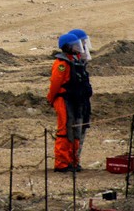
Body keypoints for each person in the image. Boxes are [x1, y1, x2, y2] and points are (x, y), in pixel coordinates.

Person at [47, 32, 91, 172]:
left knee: (75, 131)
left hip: (75, 101)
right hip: (64, 100)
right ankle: (62, 163)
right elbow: (55, 83)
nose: (79, 48)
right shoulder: (61, 64)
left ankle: (73, 160)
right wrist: (51, 98)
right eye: (75, 46)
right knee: (64, 131)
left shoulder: (76, 61)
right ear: (67, 47)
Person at [68, 28, 93, 163]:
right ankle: (72, 160)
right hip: (75, 104)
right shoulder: (69, 64)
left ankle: (75, 159)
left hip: (83, 103)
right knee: (74, 132)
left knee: (81, 130)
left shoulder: (79, 64)